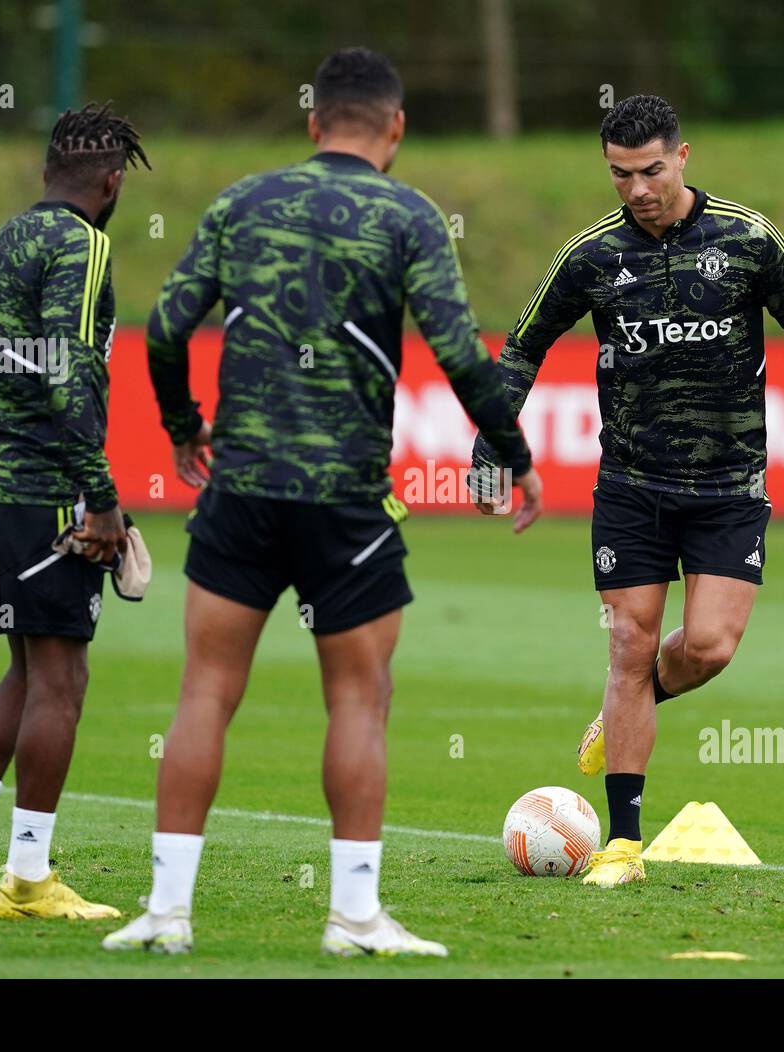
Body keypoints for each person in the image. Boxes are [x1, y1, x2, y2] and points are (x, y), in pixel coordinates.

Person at [103, 47, 539, 957]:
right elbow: (460, 352)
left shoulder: (243, 200)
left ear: (313, 123)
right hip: (346, 497)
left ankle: (168, 913)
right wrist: (514, 453)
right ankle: (352, 916)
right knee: (358, 697)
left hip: (244, 484)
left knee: (206, 690)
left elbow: (170, 322)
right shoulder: (409, 215)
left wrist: (183, 424)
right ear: (396, 128)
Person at [471, 94, 784, 886]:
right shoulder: (592, 257)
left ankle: (623, 714)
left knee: (708, 647)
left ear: (684, 156)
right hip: (631, 484)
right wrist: (490, 446)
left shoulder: (748, 239)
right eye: (620, 174)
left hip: (730, 485)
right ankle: (625, 844)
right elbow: (522, 346)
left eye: (650, 170)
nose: (636, 188)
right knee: (630, 644)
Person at [0, 103, 147, 920]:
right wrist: (104, 498)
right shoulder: (83, 244)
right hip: (48, 484)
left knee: (26, 668)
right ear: (112, 180)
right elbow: (71, 371)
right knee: (63, 677)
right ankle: (28, 876)